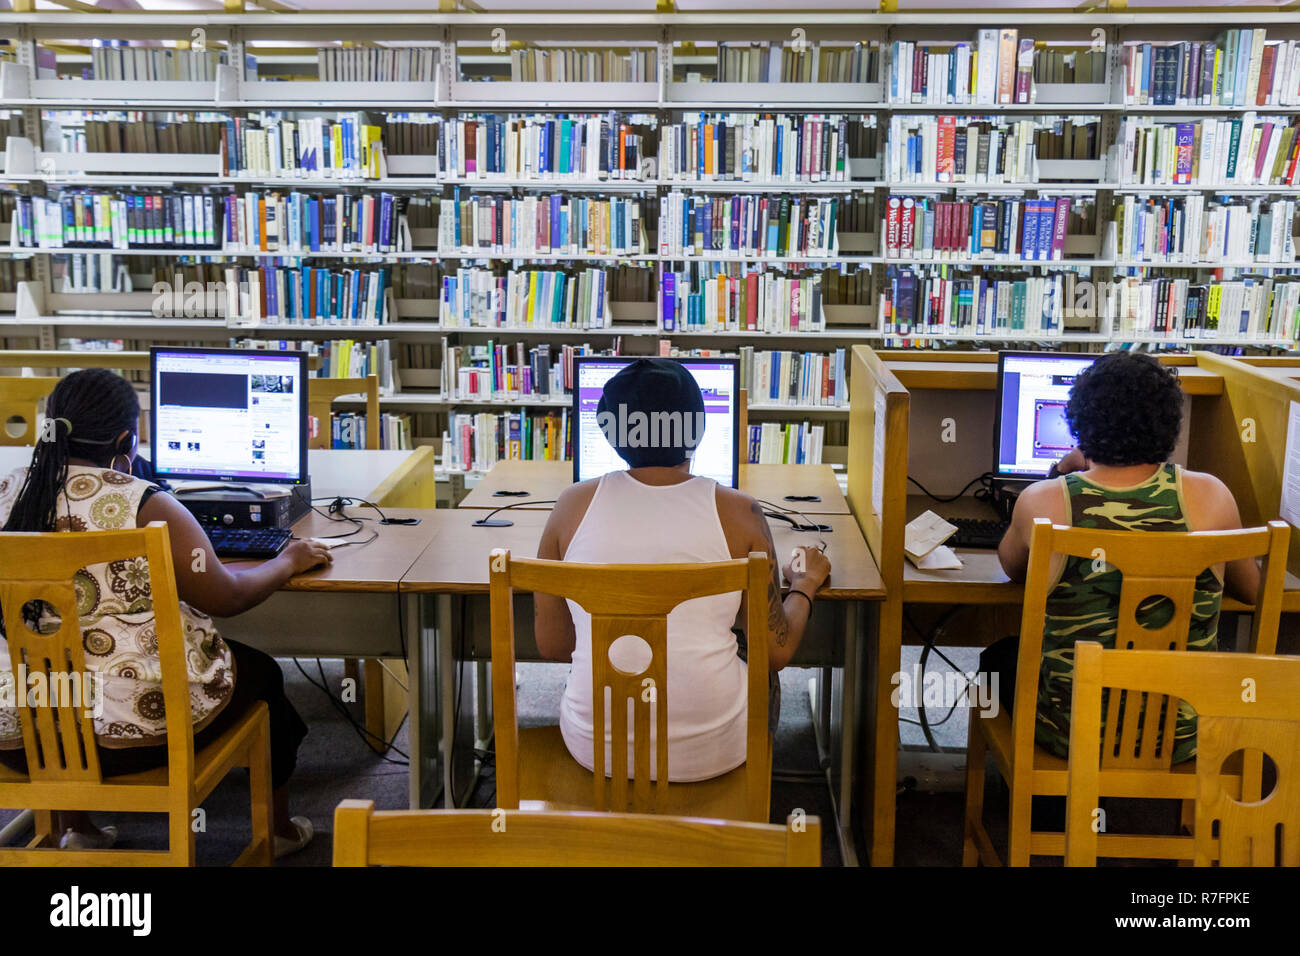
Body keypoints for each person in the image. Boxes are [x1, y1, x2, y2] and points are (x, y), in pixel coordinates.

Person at [0, 368, 333, 856]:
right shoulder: (147, 505)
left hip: (20, 729)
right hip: (137, 732)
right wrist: (288, 560)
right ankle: (277, 832)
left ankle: (78, 829)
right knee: (263, 675)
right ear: (124, 440)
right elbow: (227, 598)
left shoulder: (10, 492)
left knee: (63, 665)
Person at [534, 358, 831, 782]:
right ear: (698, 429)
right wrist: (805, 583)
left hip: (596, 750)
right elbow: (776, 651)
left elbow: (554, 645)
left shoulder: (570, 508)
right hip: (717, 753)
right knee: (753, 653)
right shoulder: (741, 513)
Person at [991, 350, 1259, 765]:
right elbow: (1252, 590)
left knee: (997, 659)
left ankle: (1049, 810)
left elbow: (1012, 569)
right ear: (1169, 423)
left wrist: (1060, 473)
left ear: (1080, 423)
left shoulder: (1044, 502)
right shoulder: (1212, 496)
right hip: (1183, 733)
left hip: (1073, 734)